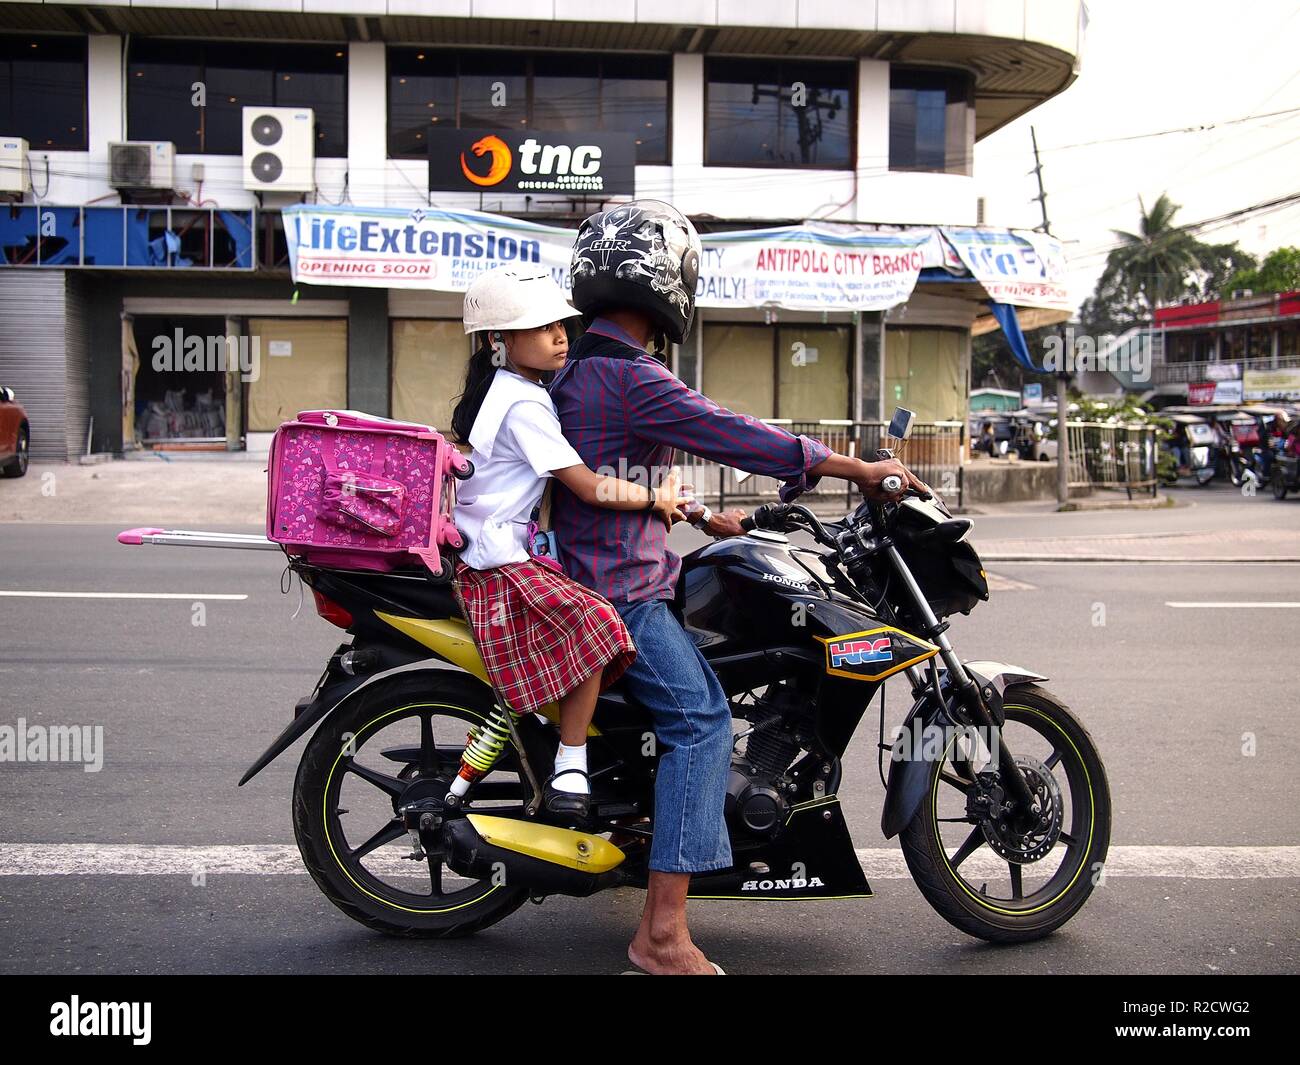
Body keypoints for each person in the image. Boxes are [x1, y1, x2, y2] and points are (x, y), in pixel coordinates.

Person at [550, 199, 927, 975]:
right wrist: (860, 467)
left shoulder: (584, 367)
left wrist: (696, 515)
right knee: (702, 721)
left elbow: (615, 474)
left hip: (610, 565)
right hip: (617, 589)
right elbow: (736, 431)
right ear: (663, 280)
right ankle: (661, 936)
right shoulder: (628, 374)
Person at [448, 265, 688, 823]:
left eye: (560, 323)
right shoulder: (526, 404)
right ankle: (570, 763)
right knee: (598, 624)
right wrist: (654, 498)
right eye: (540, 327)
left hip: (491, 551)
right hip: (498, 561)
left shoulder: (505, 391)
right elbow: (585, 484)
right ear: (498, 342)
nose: (559, 336)